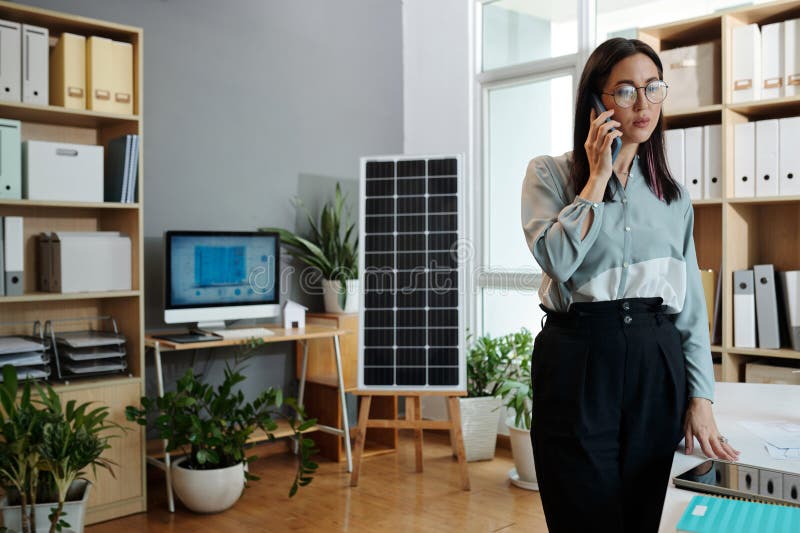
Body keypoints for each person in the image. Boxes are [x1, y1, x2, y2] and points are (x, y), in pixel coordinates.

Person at [520, 38, 740, 533]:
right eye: (625, 90)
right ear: (596, 102)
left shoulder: (674, 196)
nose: (643, 105)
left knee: (642, 515)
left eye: (652, 88)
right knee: (580, 512)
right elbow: (556, 259)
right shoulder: (550, 174)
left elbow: (689, 310)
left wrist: (701, 400)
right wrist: (597, 178)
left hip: (652, 358)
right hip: (577, 356)